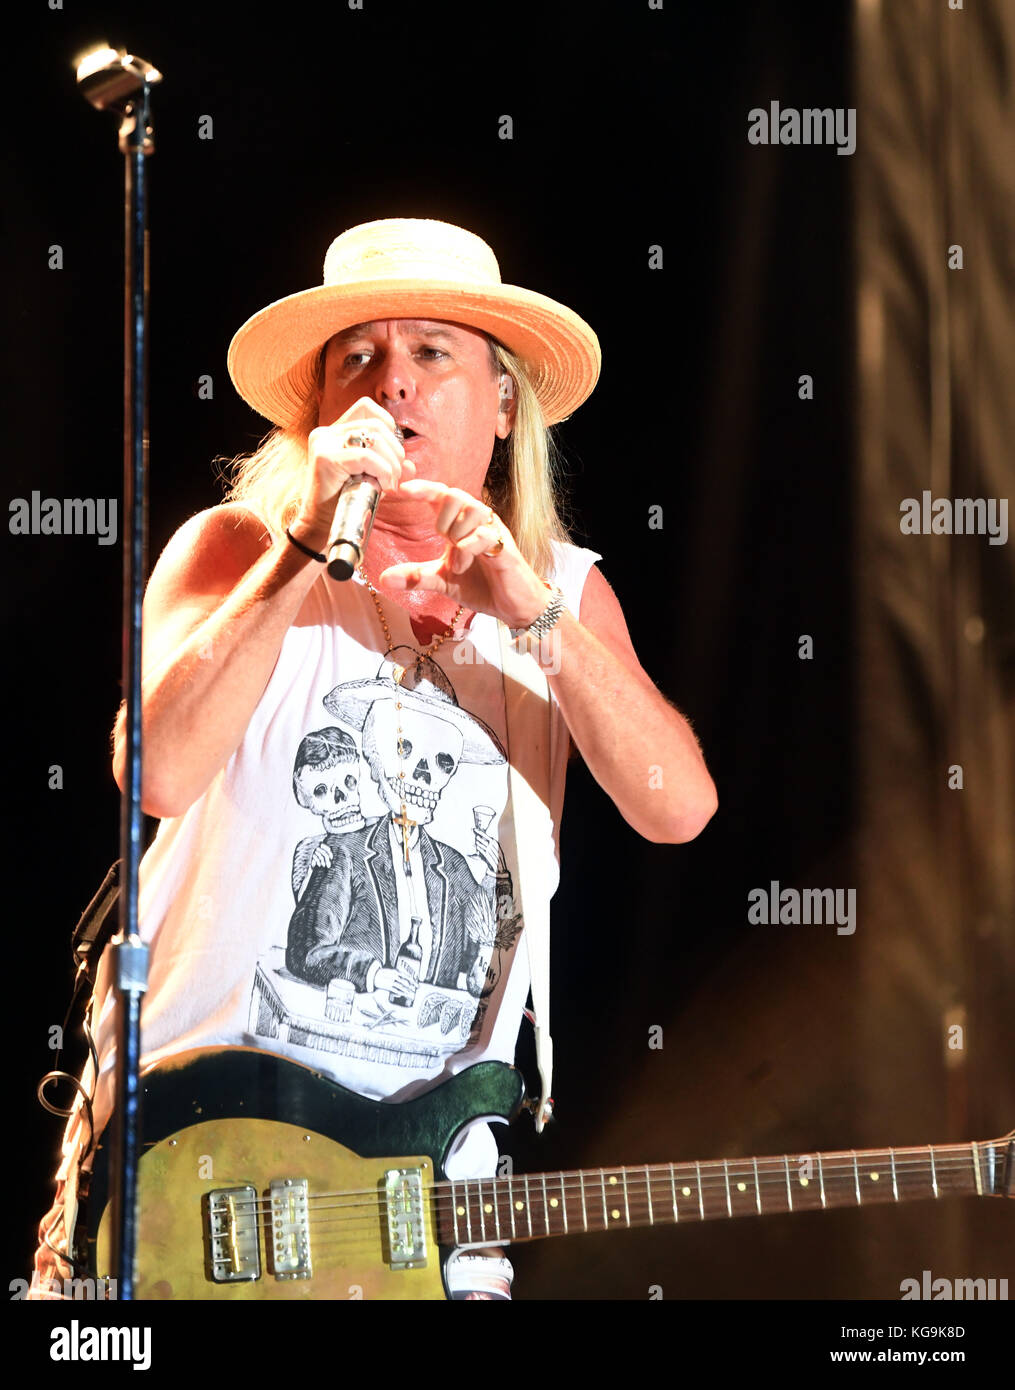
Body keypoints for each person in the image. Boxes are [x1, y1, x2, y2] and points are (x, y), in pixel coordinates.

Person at [31, 217, 717, 1301]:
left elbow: (677, 806)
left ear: (501, 404)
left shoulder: (566, 592)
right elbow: (154, 773)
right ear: (318, 410)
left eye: (432, 353)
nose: (392, 383)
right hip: (195, 1167)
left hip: (425, 1198)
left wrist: (530, 611)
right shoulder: (234, 548)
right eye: (359, 357)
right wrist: (305, 546)